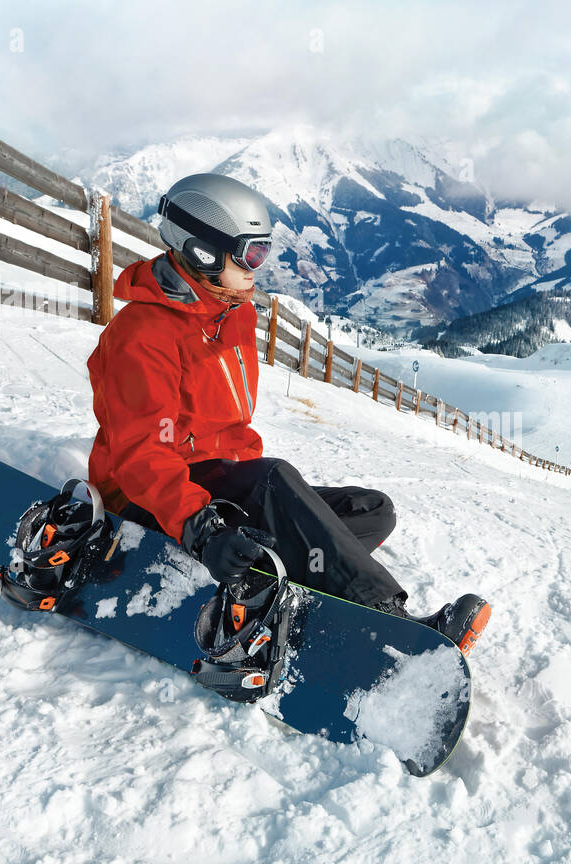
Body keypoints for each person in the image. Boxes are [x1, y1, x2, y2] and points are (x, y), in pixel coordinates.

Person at [85, 173, 490, 654]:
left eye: (264, 251)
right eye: (249, 253)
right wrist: (201, 531)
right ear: (202, 252)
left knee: (373, 511)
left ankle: (277, 572)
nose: (259, 266)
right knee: (274, 479)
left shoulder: (231, 313)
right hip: (154, 500)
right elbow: (141, 455)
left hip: (222, 482)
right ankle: (392, 626)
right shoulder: (142, 336)